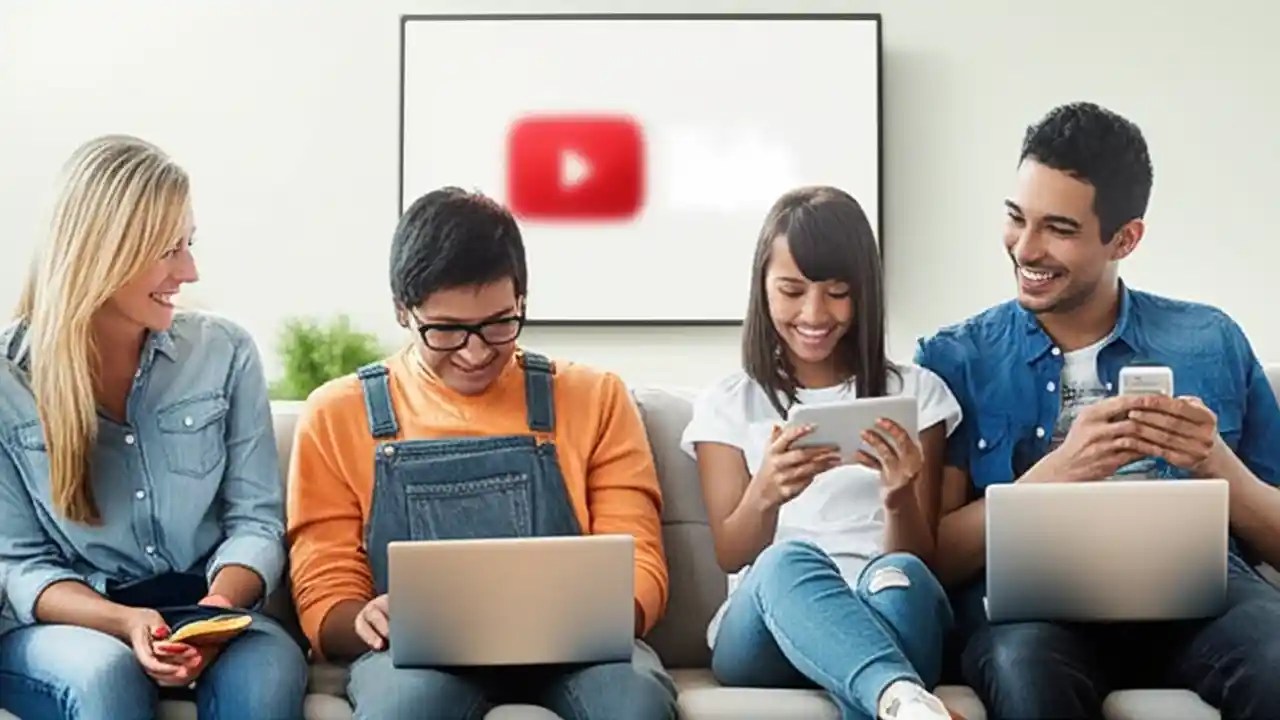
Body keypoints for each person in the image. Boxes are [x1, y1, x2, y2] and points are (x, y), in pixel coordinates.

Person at [916, 101, 1280, 720]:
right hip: (1035, 616)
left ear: (1125, 238)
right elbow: (929, 556)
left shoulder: (1210, 340)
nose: (1025, 248)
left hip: (1203, 603)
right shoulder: (957, 357)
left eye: (1058, 228)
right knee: (1022, 665)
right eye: (1015, 218)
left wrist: (1216, 464)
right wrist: (1054, 477)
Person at [286, 186, 678, 719]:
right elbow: (323, 582)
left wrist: (603, 614)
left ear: (522, 299)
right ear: (404, 311)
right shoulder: (337, 413)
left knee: (633, 703)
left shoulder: (595, 397)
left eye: (499, 324)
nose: (475, 353)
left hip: (582, 655)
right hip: (414, 661)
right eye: (446, 331)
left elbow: (640, 564)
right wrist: (360, 618)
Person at [0, 135, 307, 720]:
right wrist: (123, 622)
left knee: (264, 677)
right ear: (103, 252)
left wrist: (217, 612)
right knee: (105, 676)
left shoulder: (226, 353)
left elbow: (255, 521)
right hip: (77, 622)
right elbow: (18, 564)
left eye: (188, 244)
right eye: (169, 250)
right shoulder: (8, 379)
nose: (189, 271)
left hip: (210, 607)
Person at [680, 186, 967, 720]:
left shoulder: (918, 393)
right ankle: (899, 695)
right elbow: (731, 554)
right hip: (767, 625)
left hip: (884, 605)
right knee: (787, 559)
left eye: (837, 292)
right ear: (762, 289)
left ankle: (893, 701)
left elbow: (920, 559)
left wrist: (899, 494)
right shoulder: (729, 402)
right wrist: (766, 492)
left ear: (864, 293)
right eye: (791, 290)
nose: (814, 313)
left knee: (900, 578)